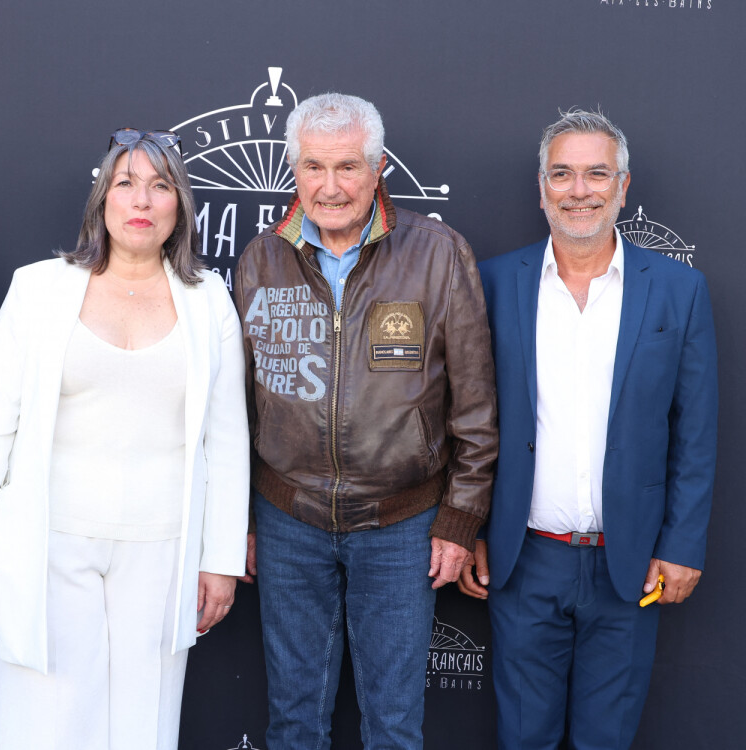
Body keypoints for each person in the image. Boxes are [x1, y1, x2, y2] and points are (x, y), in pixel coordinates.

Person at [0, 129, 249, 750]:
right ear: (102, 200)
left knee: (145, 726)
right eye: (126, 183)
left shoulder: (208, 299)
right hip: (47, 542)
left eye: (161, 185)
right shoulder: (37, 288)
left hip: (164, 550)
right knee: (47, 725)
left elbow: (226, 438)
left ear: (180, 205)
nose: (143, 200)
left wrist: (219, 559)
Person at [234, 93, 498, 749]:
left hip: (401, 525)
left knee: (394, 726)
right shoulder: (261, 258)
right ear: (294, 169)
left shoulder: (437, 254)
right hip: (286, 520)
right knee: (294, 723)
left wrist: (460, 518)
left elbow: (475, 404)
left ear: (378, 168)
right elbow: (232, 405)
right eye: (314, 167)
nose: (330, 187)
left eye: (348, 166)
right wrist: (234, 519)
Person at [461, 108, 718, 749]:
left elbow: (696, 431)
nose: (580, 190)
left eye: (597, 174)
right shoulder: (492, 283)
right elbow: (462, 418)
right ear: (541, 187)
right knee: (524, 737)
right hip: (523, 560)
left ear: (623, 187)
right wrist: (468, 529)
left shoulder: (679, 292)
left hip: (631, 566)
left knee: (607, 739)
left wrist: (683, 543)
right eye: (563, 174)